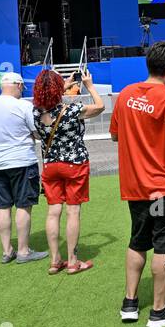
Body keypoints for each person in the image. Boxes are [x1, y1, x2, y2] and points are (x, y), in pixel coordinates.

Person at [109, 42, 165, 327]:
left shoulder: (126, 95)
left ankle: (130, 303)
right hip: (164, 186)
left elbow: (115, 136)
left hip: (136, 186)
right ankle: (159, 309)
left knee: (138, 241)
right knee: (163, 246)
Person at [34, 67, 105, 276]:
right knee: (72, 211)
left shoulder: (36, 111)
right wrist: (89, 86)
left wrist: (61, 85)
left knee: (53, 211)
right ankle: (73, 261)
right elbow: (100, 106)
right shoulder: (73, 110)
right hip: (74, 163)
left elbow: (49, 99)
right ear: (58, 89)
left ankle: (55, 260)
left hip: (50, 164)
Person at [0, 72, 48, 265]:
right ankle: (24, 250)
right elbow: (38, 134)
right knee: (23, 205)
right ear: (18, 85)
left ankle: (7, 250)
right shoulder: (24, 106)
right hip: (21, 161)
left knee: (3, 206)